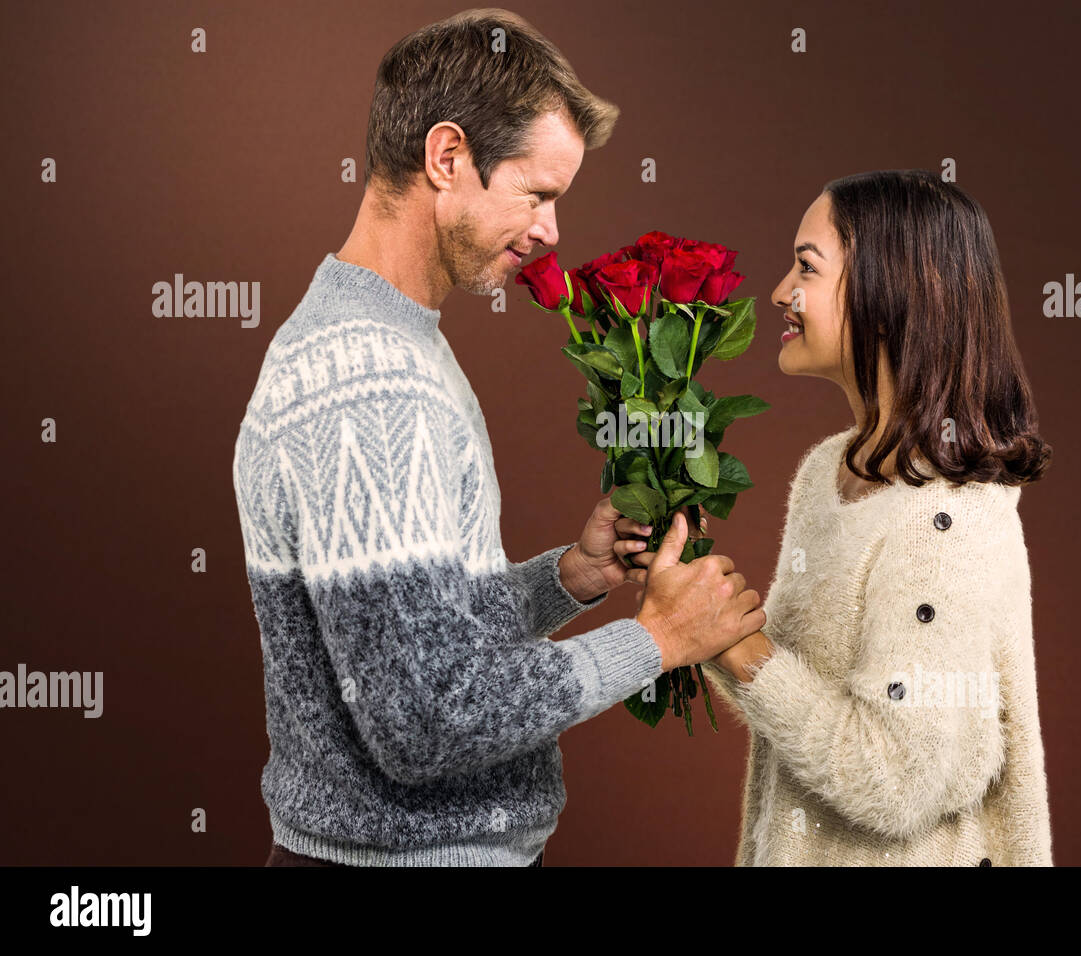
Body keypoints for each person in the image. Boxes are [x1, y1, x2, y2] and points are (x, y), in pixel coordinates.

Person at [231, 8, 763, 867]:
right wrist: (656, 642)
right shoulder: (365, 376)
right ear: (447, 159)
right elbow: (424, 718)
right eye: (538, 192)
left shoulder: (396, 342)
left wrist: (566, 580)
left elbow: (410, 634)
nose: (551, 229)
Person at [628, 170, 1055, 866]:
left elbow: (897, 778)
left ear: (892, 294)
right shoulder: (832, 471)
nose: (777, 293)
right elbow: (800, 705)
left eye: (806, 266)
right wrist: (698, 612)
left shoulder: (946, 521)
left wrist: (737, 647)